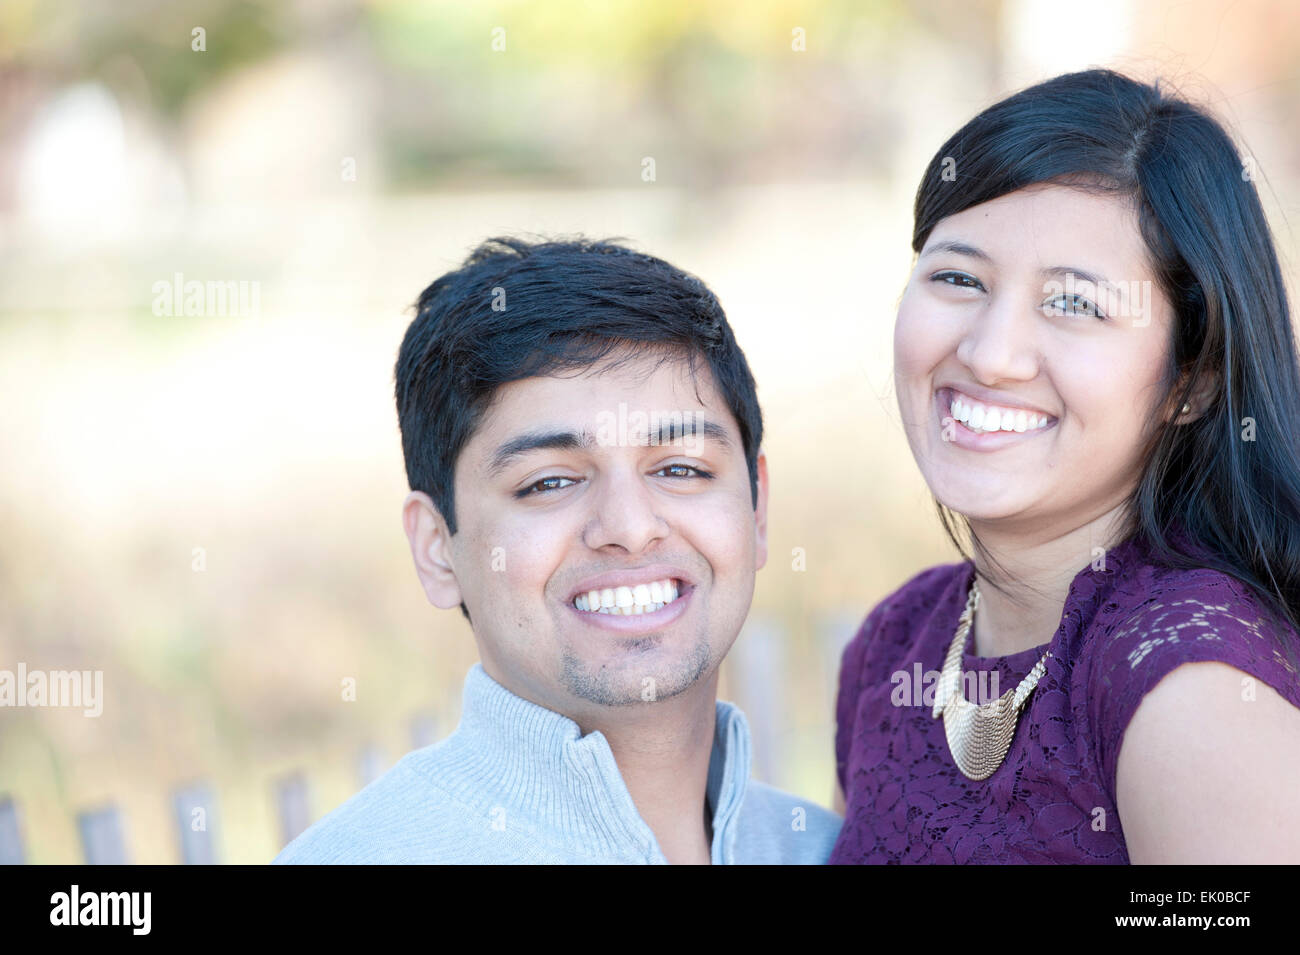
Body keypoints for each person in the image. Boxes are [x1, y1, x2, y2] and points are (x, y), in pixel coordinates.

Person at [832, 68, 1300, 863]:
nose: (990, 353)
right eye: (957, 277)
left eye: (1075, 303)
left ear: (1190, 381)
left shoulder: (1190, 687)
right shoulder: (896, 644)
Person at [275, 236, 841, 864]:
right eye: (549, 482)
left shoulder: (834, 853)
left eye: (681, 468)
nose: (630, 526)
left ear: (756, 510)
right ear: (437, 549)